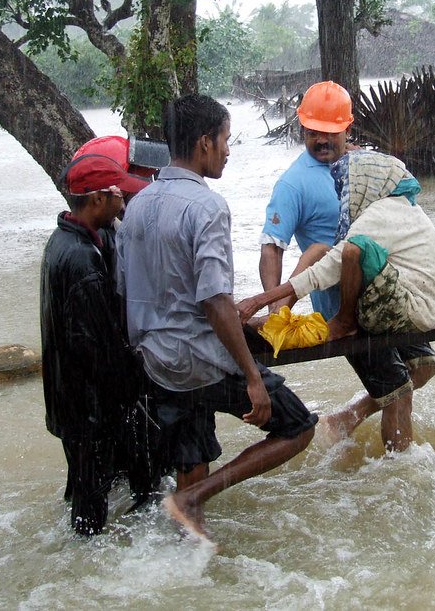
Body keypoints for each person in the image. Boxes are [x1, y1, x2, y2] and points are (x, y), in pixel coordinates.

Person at [115, 94, 316, 545]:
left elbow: (130, 290)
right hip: (196, 359)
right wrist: (252, 376)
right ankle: (194, 498)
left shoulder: (137, 206)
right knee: (298, 425)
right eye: (226, 140)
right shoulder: (207, 207)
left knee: (190, 437)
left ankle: (189, 537)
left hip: (154, 360)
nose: (228, 150)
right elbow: (215, 301)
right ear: (205, 143)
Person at [256, 80, 435, 452]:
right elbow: (272, 247)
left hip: (389, 289)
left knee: (423, 368)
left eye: (331, 133)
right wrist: (276, 309)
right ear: (301, 128)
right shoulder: (293, 184)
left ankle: (348, 418)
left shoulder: (365, 167)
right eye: (313, 133)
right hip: (344, 304)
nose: (322, 141)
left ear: (348, 128)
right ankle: (396, 479)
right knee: (397, 392)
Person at [40, 152, 164, 536]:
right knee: (90, 517)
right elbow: (97, 348)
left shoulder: (65, 240)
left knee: (82, 487)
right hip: (88, 407)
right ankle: (84, 568)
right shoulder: (81, 260)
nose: (123, 201)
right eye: (117, 195)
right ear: (96, 200)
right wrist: (139, 378)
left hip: (67, 399)